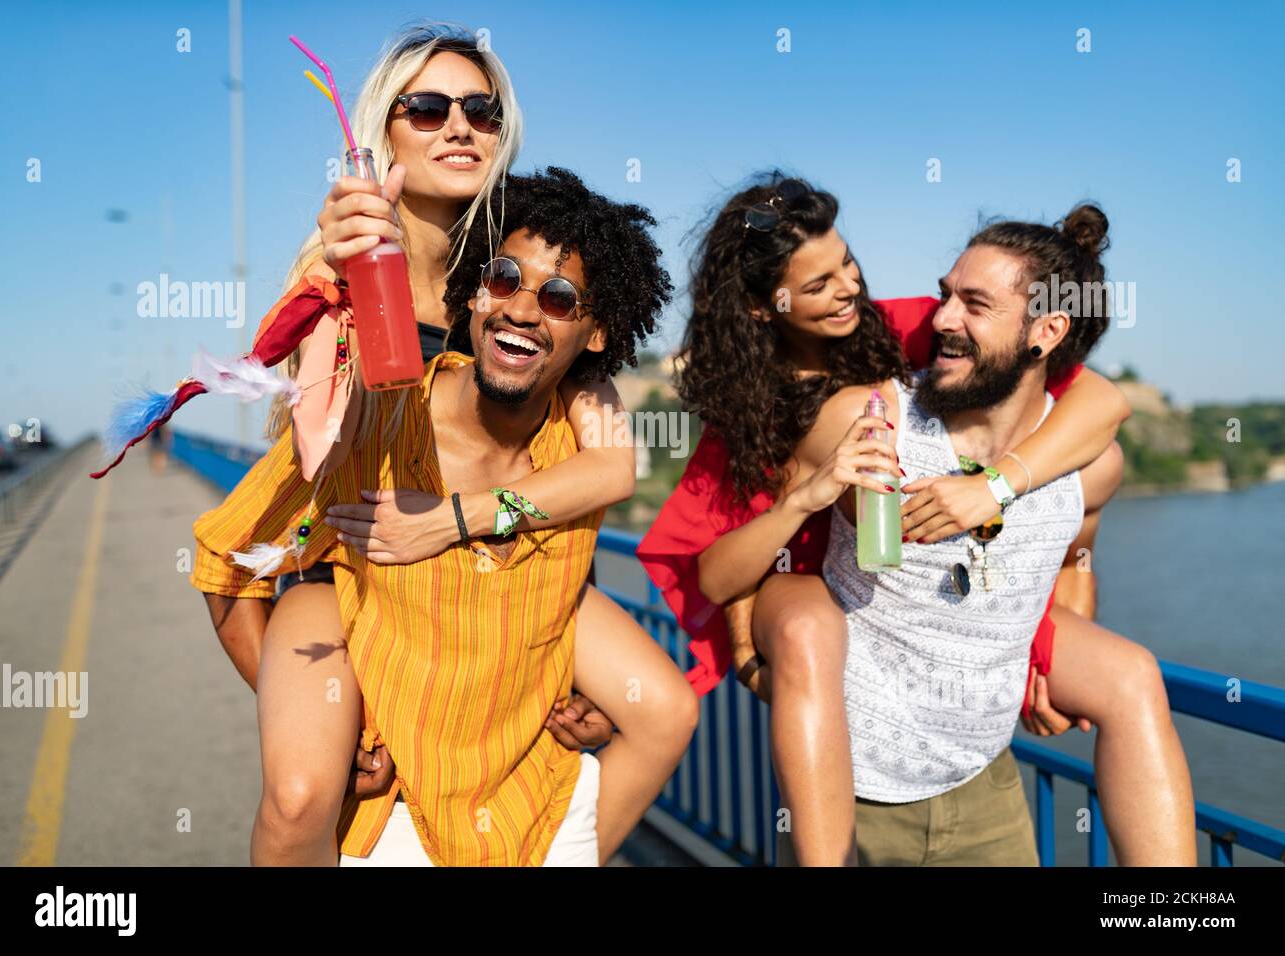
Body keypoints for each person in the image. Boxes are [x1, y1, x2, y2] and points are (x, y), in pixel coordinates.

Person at [189, 22, 695, 867]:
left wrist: (569, 656)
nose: (458, 126)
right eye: (426, 108)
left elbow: (598, 461)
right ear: (382, 129)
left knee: (661, 708)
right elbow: (292, 479)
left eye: (481, 111)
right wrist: (351, 273)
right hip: (355, 565)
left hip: (487, 561)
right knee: (302, 796)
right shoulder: (345, 281)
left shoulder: (519, 270)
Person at [638, 175, 1192, 865]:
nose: (848, 289)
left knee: (1134, 676)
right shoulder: (764, 410)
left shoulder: (902, 326)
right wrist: (748, 645)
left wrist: (1045, 567)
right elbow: (713, 556)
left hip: (969, 734)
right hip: (818, 594)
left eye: (849, 265)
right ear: (761, 309)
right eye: (818, 285)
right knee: (809, 627)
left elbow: (1098, 422)